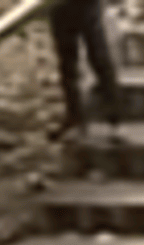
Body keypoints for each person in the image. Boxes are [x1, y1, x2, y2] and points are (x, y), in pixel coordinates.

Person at [48, 0, 122, 140]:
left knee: (98, 57)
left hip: (85, 4)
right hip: (59, 6)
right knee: (67, 63)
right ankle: (74, 116)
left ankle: (114, 118)